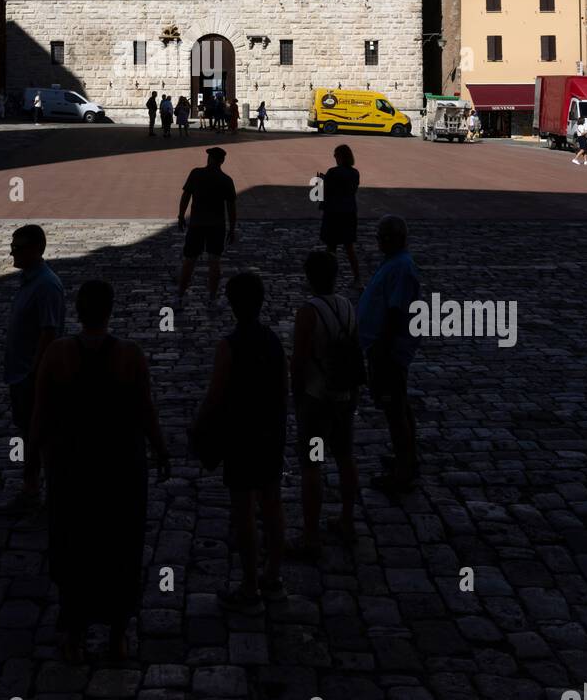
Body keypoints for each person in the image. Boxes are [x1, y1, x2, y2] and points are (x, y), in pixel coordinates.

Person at [28, 279, 169, 663]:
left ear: (78, 310)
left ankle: (73, 633)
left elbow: (39, 415)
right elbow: (146, 412)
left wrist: (33, 463)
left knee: (73, 546)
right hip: (120, 466)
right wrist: (161, 451)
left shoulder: (58, 355)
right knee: (120, 546)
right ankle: (118, 633)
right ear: (110, 310)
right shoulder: (130, 355)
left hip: (72, 466)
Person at [191, 272, 287, 613]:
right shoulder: (273, 340)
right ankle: (273, 575)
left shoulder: (229, 346)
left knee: (244, 510)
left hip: (242, 435)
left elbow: (215, 396)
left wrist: (198, 429)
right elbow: (283, 390)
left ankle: (249, 585)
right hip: (270, 432)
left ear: (232, 305)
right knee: (272, 504)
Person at [287, 251, 364, 559]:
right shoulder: (347, 306)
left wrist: (295, 394)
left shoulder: (308, 312)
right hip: (345, 394)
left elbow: (300, 360)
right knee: (345, 456)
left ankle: (310, 534)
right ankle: (347, 518)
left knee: (312, 464)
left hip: (317, 398)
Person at [0, 225, 66, 518]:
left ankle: (42, 492)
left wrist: (35, 374)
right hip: (21, 374)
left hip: (32, 376)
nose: (12, 251)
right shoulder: (30, 281)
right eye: (13, 245)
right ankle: (34, 487)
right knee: (30, 434)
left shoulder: (46, 286)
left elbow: (49, 332)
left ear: (37, 249)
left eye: (19, 246)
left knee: (40, 435)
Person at [357, 217, 422, 496]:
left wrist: (382, 349)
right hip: (384, 348)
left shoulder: (401, 268)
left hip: (389, 351)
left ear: (396, 238)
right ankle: (406, 458)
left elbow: (395, 313)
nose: (378, 241)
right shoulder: (395, 262)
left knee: (394, 409)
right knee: (398, 405)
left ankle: (403, 472)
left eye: (382, 237)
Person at [177, 146, 237, 311]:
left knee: (189, 261)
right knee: (214, 262)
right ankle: (212, 300)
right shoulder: (226, 180)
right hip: (217, 225)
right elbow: (231, 207)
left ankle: (179, 296)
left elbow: (186, 196)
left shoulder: (196, 174)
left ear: (209, 159)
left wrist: (181, 215)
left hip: (196, 223)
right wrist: (232, 228)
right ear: (222, 161)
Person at [318, 144, 361, 284]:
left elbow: (324, 193)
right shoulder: (355, 173)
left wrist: (322, 181)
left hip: (334, 213)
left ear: (340, 156)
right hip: (349, 212)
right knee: (349, 248)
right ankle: (357, 278)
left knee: (331, 248)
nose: (335, 158)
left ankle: (328, 278)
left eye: (335, 155)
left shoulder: (332, 172)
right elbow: (351, 190)